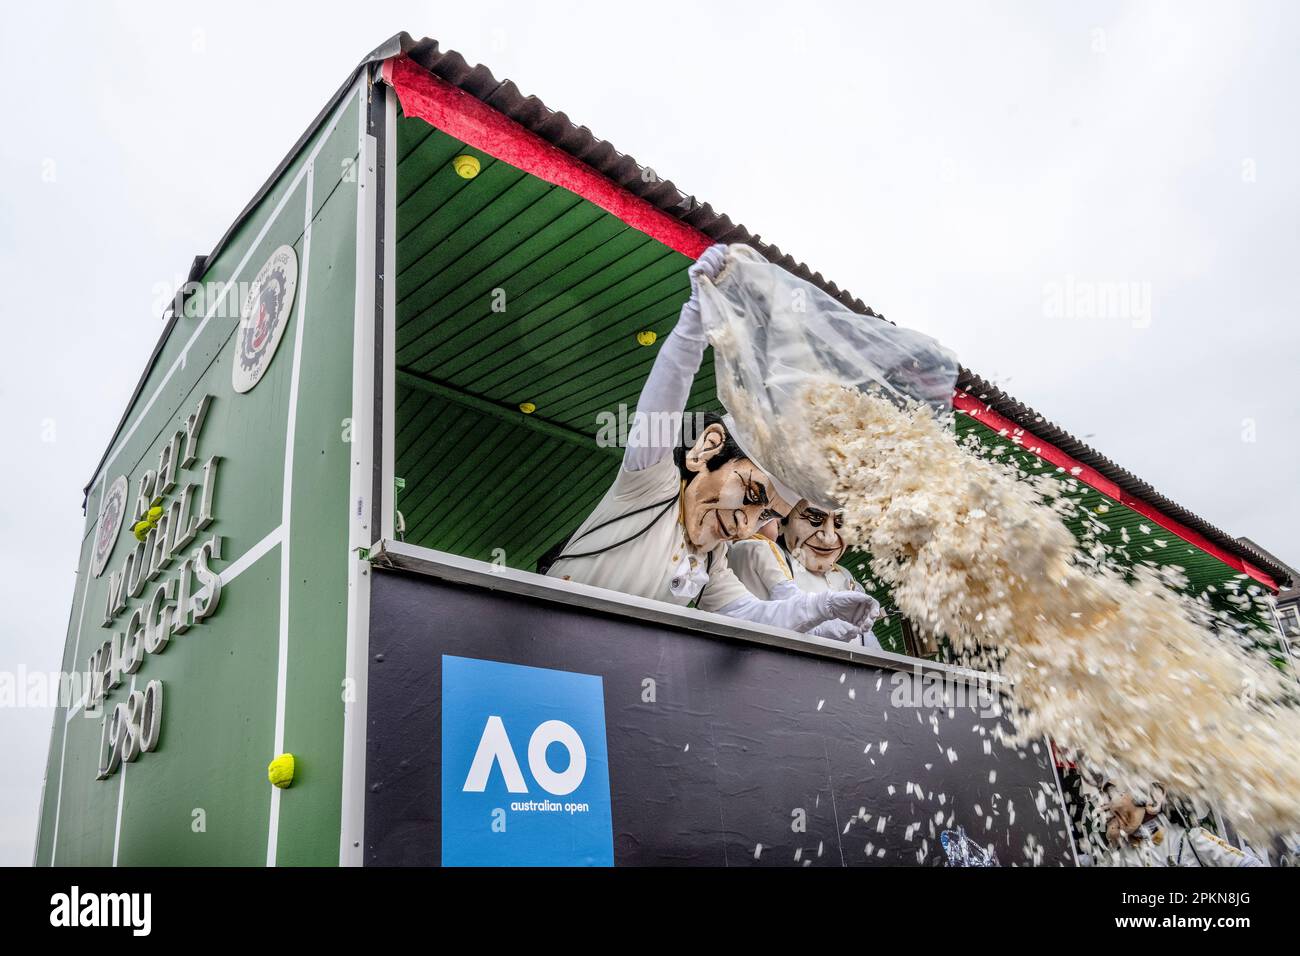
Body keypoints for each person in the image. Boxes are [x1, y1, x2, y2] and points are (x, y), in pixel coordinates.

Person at [544, 244, 881, 637]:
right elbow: (663, 400)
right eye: (753, 496)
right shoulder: (653, 486)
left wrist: (821, 614)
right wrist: (695, 321)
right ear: (705, 449)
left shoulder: (711, 556)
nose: (745, 527)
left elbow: (749, 614)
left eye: (767, 516)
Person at [729, 501, 884, 649]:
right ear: (781, 521)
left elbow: (867, 642)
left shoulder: (843, 575)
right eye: (814, 518)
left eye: (840, 523)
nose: (829, 538)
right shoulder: (758, 550)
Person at [1100, 783, 1264, 867]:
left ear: (1153, 797)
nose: (1108, 805)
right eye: (1107, 797)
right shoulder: (1116, 860)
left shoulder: (1188, 838)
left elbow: (1247, 864)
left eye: (1116, 793)